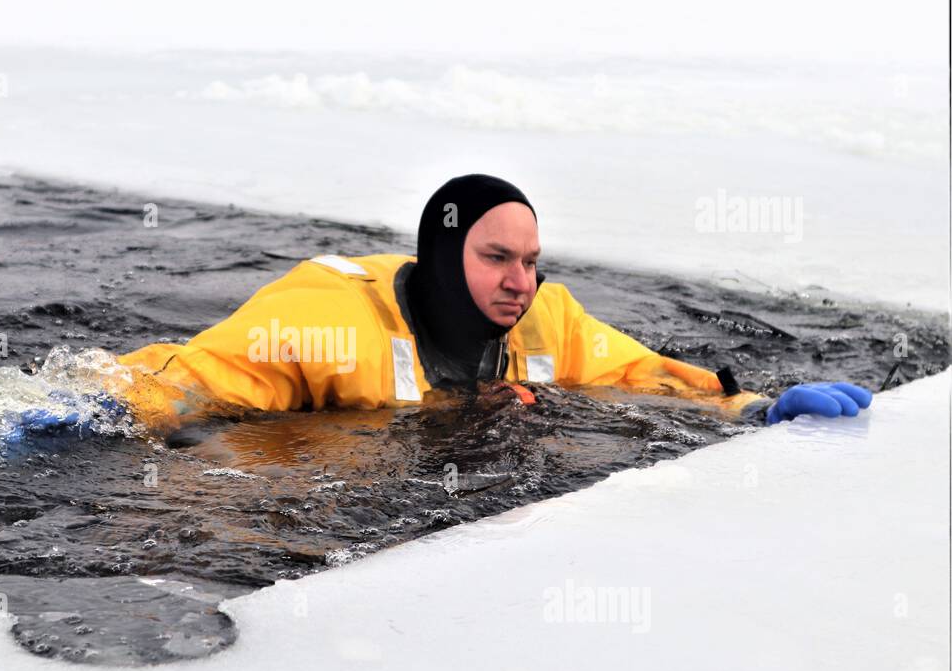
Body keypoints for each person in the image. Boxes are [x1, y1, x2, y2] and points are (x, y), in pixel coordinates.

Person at [115, 174, 871, 430]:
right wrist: (101, 419)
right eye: (498, 258)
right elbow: (187, 387)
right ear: (446, 258)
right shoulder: (323, 322)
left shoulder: (549, 317)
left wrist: (752, 410)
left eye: (533, 261)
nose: (521, 282)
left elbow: (642, 377)